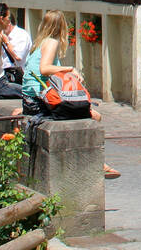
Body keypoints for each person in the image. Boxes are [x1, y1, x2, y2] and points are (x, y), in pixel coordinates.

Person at [22, 10, 119, 179]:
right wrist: (69, 69)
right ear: (62, 26)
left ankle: (95, 162)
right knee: (94, 116)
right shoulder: (52, 42)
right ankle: (97, 163)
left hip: (30, 101)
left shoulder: (39, 43)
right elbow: (44, 69)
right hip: (40, 101)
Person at [0, 2, 31, 82]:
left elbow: (18, 57)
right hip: (1, 75)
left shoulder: (21, 35)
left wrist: (7, 42)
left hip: (15, 76)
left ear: (8, 22)